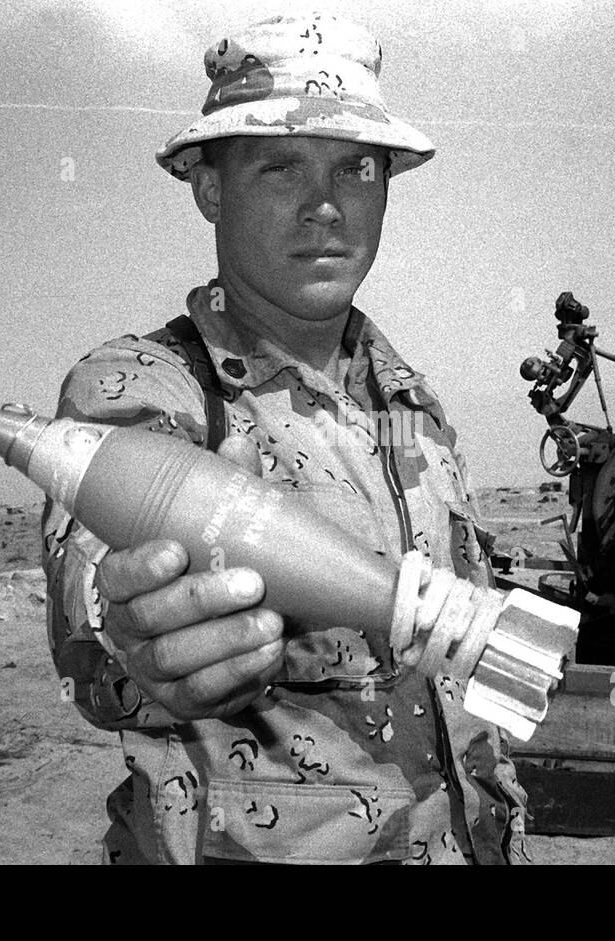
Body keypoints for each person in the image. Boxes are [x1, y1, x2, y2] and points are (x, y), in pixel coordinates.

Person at [41, 10, 531, 865]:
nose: (327, 206)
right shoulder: (149, 392)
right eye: (281, 168)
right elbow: (98, 603)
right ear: (210, 189)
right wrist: (139, 634)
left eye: (357, 167)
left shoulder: (412, 401)